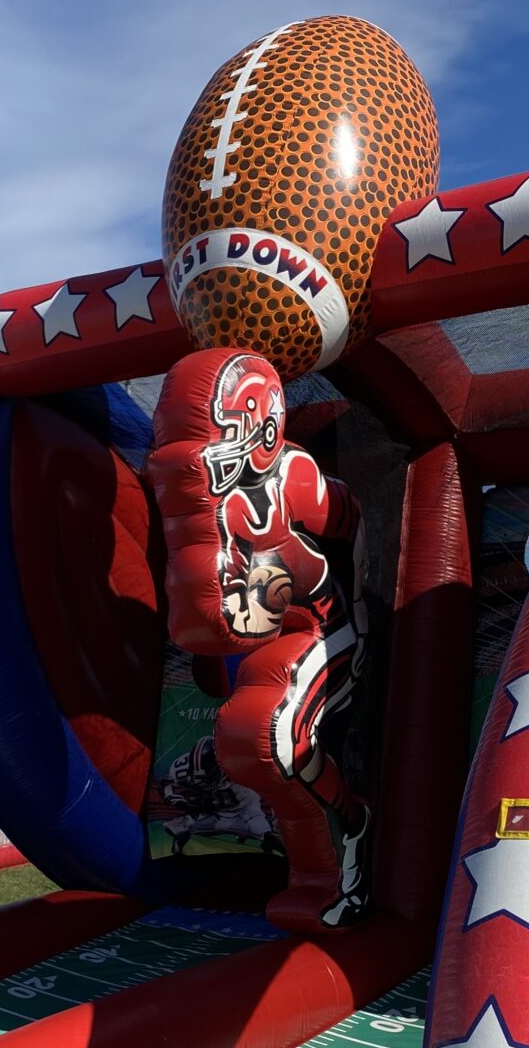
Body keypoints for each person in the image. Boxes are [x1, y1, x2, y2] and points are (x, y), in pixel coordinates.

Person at [148, 348, 370, 931]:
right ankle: (321, 851)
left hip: (327, 624)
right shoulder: (206, 500)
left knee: (268, 735)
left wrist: (363, 600)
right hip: (272, 638)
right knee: (255, 739)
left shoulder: (294, 476)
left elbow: (347, 517)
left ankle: (347, 839)